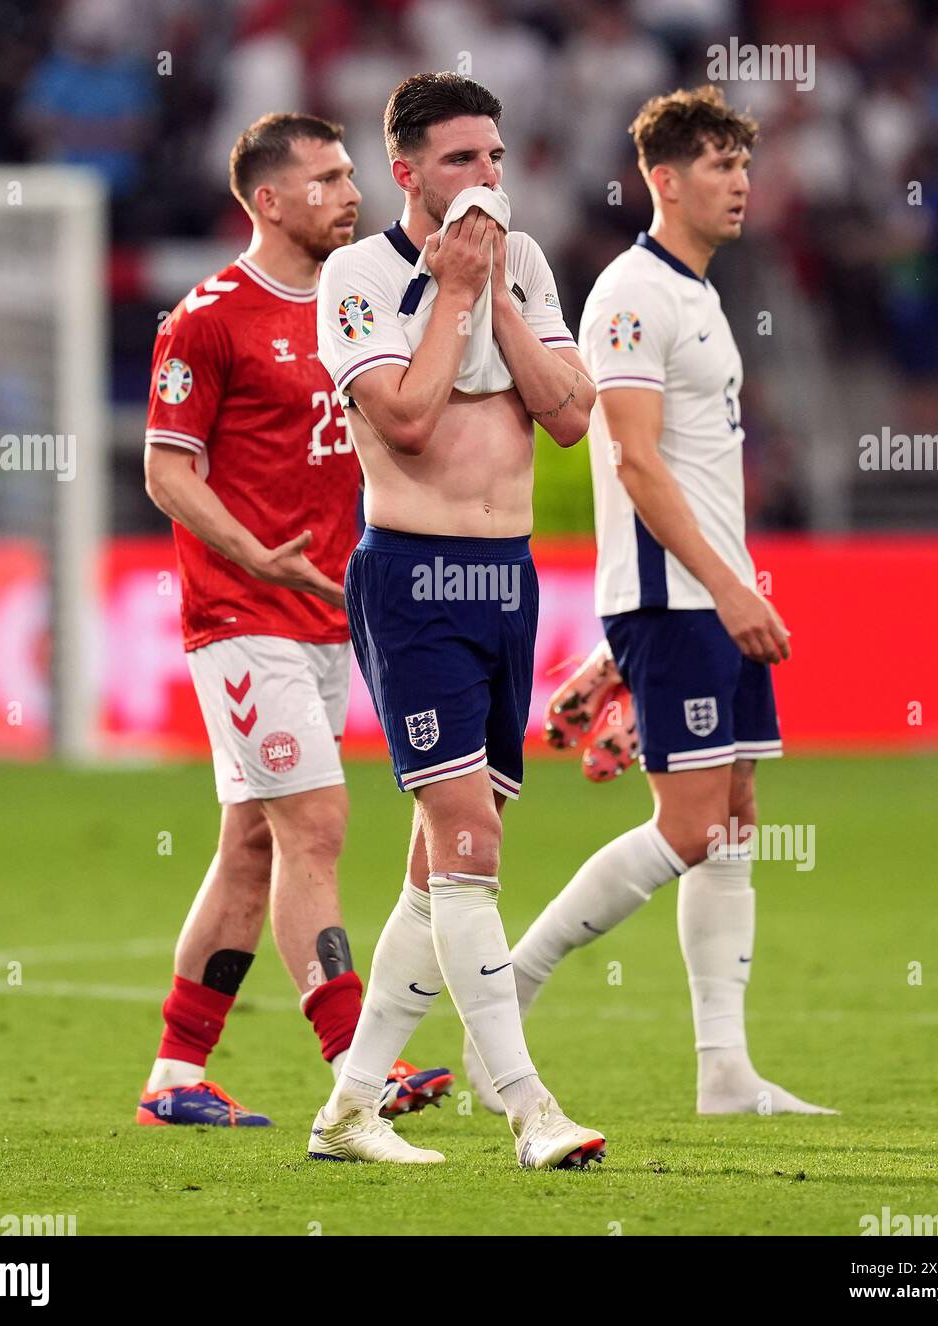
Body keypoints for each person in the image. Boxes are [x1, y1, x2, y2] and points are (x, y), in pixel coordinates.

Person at [465, 86, 836, 1118]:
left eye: (744, 165)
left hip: (701, 596)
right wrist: (719, 595)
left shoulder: (699, 294)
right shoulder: (630, 294)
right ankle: (509, 987)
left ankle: (723, 1072)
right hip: (686, 599)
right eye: (718, 166)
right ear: (661, 180)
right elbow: (630, 462)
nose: (739, 183)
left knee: (732, 821)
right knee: (687, 826)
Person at [308, 72, 605, 1167]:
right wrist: (448, 294)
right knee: (470, 851)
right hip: (414, 581)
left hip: (507, 582)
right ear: (405, 172)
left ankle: (347, 1110)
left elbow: (570, 417)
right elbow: (409, 420)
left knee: (437, 870)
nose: (485, 178)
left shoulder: (518, 262)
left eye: (493, 156)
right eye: (458, 161)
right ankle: (529, 1108)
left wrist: (497, 296)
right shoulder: (358, 274)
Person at [139, 112, 452, 1127]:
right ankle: (362, 1070)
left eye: (348, 174)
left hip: (323, 616)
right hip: (239, 616)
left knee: (251, 849)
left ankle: (175, 1080)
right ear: (267, 201)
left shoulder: (357, 302)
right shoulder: (208, 318)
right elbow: (165, 470)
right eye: (323, 179)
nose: (349, 192)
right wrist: (249, 553)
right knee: (315, 825)